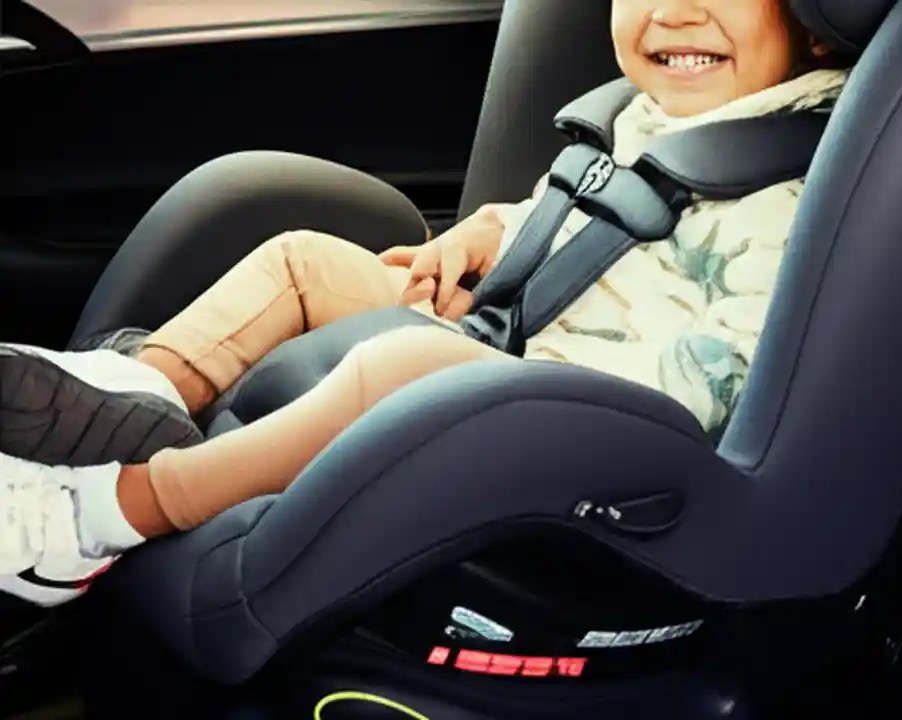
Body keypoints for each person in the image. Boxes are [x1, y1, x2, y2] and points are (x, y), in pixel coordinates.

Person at [0, 0, 852, 606]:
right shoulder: (646, 114)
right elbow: (563, 208)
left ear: (817, 27)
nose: (673, 12)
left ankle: (108, 515)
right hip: (512, 334)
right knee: (302, 259)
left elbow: (735, 367)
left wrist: (561, 377)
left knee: (403, 364)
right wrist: (477, 239)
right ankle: (145, 390)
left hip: (590, 416)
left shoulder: (793, 191)